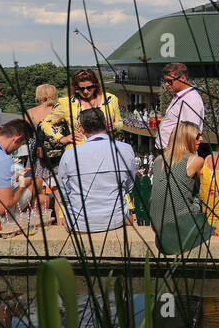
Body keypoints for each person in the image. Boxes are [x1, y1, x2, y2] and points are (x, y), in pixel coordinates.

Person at [56, 108, 136, 233]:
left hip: (80, 222)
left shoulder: (70, 154)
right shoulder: (125, 149)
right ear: (106, 124)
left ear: (82, 130)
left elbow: (64, 193)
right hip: (116, 219)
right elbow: (129, 186)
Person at [150, 120, 208, 248]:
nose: (201, 139)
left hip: (157, 224)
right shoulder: (196, 161)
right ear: (187, 138)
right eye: (197, 136)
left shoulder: (158, 160)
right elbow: (204, 192)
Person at [40, 69, 123, 153]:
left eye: (89, 87)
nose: (85, 91)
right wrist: (61, 138)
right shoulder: (66, 103)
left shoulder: (111, 99)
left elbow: (119, 122)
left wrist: (115, 127)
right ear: (76, 88)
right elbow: (45, 123)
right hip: (78, 152)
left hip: (106, 150)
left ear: (95, 85)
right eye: (81, 88)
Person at [25, 83, 61, 224]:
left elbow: (26, 137)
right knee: (60, 196)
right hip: (57, 156)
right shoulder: (59, 112)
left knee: (36, 193)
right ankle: (60, 224)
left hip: (37, 157)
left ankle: (37, 224)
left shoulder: (29, 113)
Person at [156, 62, 205, 152]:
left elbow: (190, 134)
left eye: (170, 81)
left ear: (182, 78)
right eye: (165, 81)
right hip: (171, 151)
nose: (167, 84)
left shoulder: (190, 100)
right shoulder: (181, 96)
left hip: (177, 153)